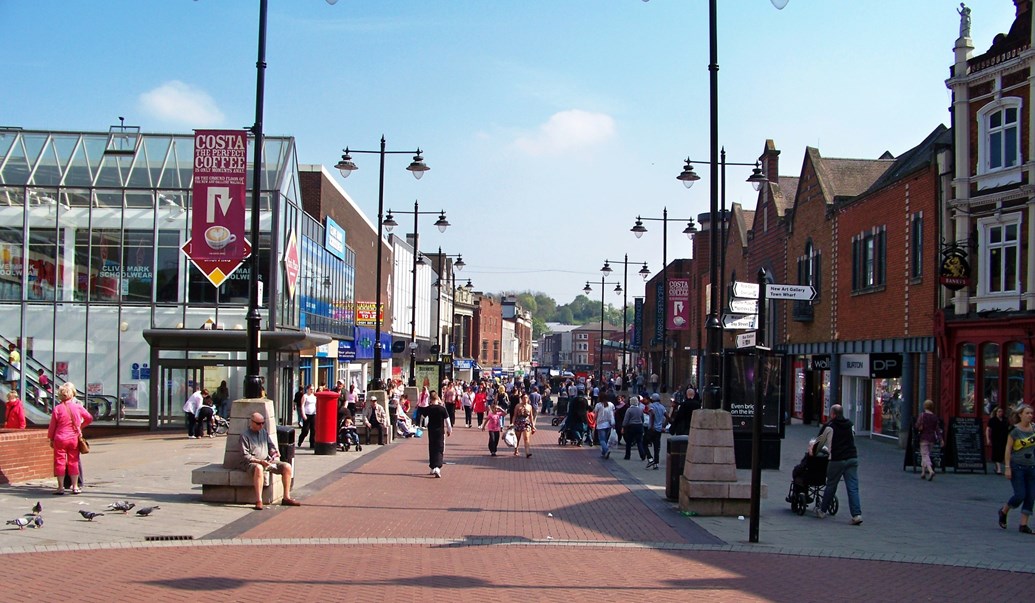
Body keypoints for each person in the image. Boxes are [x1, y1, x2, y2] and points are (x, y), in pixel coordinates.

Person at [813, 404, 863, 525]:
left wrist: (815, 451)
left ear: (833, 414)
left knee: (831, 485)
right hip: (851, 458)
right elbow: (852, 437)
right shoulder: (850, 424)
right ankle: (856, 515)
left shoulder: (829, 426)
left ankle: (822, 511)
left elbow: (819, 443)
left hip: (836, 459)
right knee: (853, 487)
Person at [239, 412, 301, 510]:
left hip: (267, 460)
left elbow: (271, 445)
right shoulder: (245, 436)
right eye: (258, 423)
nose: (261, 426)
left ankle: (286, 497)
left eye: (263, 423)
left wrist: (274, 453)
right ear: (252, 423)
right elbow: (245, 456)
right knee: (259, 468)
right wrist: (259, 461)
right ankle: (259, 500)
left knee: (287, 467)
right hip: (251, 463)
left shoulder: (264, 432)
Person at [47, 383, 91, 495]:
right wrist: (80, 426)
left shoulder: (57, 409)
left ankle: (61, 487)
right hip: (74, 438)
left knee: (59, 462)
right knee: (73, 461)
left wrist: (51, 438)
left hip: (60, 437)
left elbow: (52, 426)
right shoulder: (78, 407)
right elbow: (89, 418)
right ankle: (75, 486)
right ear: (72, 394)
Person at [999, 404, 1035, 532]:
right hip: (1017, 466)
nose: (1030, 415)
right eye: (1027, 413)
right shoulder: (1014, 430)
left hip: (1031, 465)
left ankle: (1023, 525)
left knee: (1031, 495)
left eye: (1031, 413)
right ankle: (1004, 511)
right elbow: (1008, 449)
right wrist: (1007, 467)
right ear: (1020, 415)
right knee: (1020, 494)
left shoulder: (1034, 429)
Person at [417, 392, 452, 477]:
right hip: (440, 431)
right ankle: (437, 467)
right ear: (437, 399)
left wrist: (423, 425)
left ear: (431, 400)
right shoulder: (442, 409)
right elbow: (447, 421)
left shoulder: (429, 408)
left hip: (431, 431)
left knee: (432, 448)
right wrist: (449, 430)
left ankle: (432, 466)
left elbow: (423, 417)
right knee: (440, 448)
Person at [915, 399, 942, 481]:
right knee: (926, 454)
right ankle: (923, 472)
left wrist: (919, 427)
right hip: (932, 439)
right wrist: (941, 439)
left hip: (924, 437)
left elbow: (917, 425)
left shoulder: (922, 415)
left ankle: (930, 470)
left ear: (924, 406)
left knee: (925, 455)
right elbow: (937, 429)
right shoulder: (934, 417)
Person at [644, 393, 668, 469]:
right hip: (659, 429)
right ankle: (656, 463)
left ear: (652, 399)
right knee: (656, 446)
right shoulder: (662, 407)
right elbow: (667, 417)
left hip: (652, 429)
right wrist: (664, 425)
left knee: (644, 443)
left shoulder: (651, 406)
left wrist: (652, 425)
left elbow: (653, 414)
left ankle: (650, 459)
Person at [622, 395, 648, 461]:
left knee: (629, 442)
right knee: (639, 441)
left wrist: (623, 426)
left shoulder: (629, 410)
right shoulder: (640, 409)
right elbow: (642, 419)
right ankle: (642, 454)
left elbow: (626, 420)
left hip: (631, 427)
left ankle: (627, 456)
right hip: (639, 426)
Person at [988, 406, 1011, 475]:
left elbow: (1009, 428)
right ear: (996, 412)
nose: (1000, 413)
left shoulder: (1005, 419)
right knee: (996, 452)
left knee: (1003, 452)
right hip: (995, 438)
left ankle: (999, 467)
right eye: (999, 411)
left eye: (1001, 412)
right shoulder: (993, 420)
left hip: (1004, 438)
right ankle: (999, 469)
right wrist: (988, 439)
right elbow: (988, 429)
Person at [512, 393, 535, 458]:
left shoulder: (529, 406)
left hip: (526, 423)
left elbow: (531, 416)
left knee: (526, 437)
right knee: (517, 438)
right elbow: (514, 415)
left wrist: (533, 426)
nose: (525, 399)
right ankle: (516, 449)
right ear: (521, 399)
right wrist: (512, 423)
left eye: (526, 398)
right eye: (524, 398)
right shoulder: (518, 406)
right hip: (519, 423)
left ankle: (527, 452)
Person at [594, 395, 616, 459]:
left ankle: (606, 450)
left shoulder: (598, 405)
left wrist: (593, 420)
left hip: (601, 424)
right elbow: (613, 413)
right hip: (609, 424)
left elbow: (596, 414)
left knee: (602, 440)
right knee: (605, 439)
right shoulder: (611, 404)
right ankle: (603, 453)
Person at [296, 385, 317, 449]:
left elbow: (316, 405)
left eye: (313, 389)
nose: (312, 391)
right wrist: (303, 414)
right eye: (311, 389)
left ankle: (312, 444)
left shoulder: (314, 396)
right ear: (307, 389)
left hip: (313, 414)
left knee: (313, 430)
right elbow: (302, 405)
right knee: (305, 430)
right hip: (307, 414)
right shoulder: (305, 396)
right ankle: (300, 440)